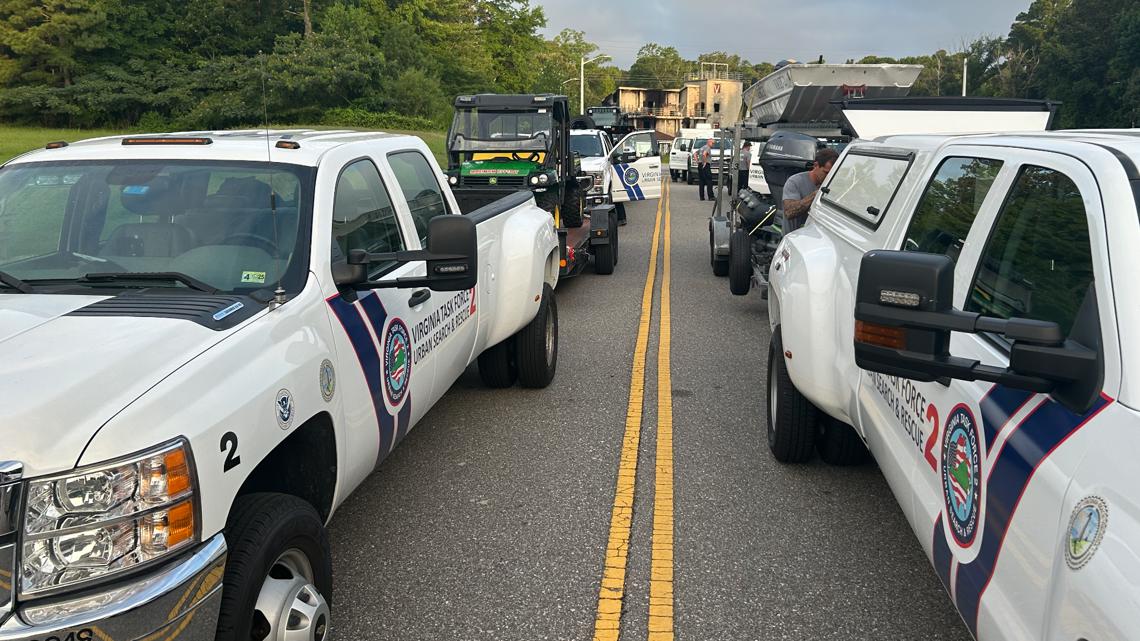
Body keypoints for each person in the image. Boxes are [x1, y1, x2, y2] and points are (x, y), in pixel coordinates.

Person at [782, 148, 839, 232]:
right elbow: (789, 212)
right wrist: (816, 195)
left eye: (832, 174)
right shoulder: (794, 182)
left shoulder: (832, 184)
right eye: (826, 172)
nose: (829, 177)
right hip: (793, 237)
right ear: (816, 165)